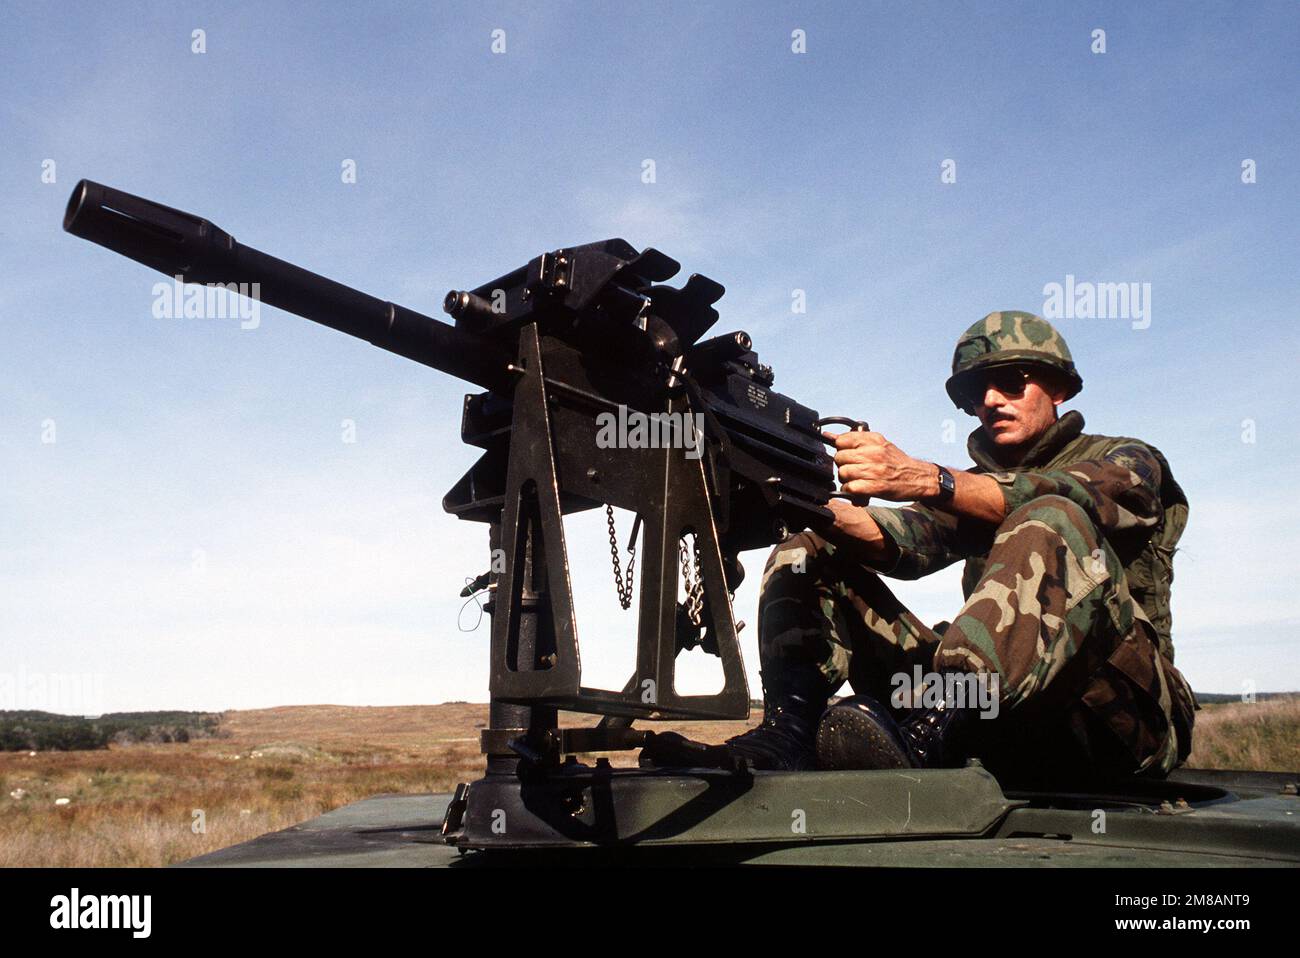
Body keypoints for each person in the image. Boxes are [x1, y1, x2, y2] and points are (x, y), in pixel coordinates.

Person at [643, 311, 1196, 785]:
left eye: (1012, 381)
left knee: (1049, 515)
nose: (990, 400)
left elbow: (1070, 495)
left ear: (1059, 388)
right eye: (976, 391)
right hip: (999, 724)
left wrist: (925, 477)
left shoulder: (1129, 460)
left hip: (1123, 720)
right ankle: (789, 733)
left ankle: (931, 729)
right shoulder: (972, 489)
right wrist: (790, 495)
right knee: (811, 544)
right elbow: (901, 539)